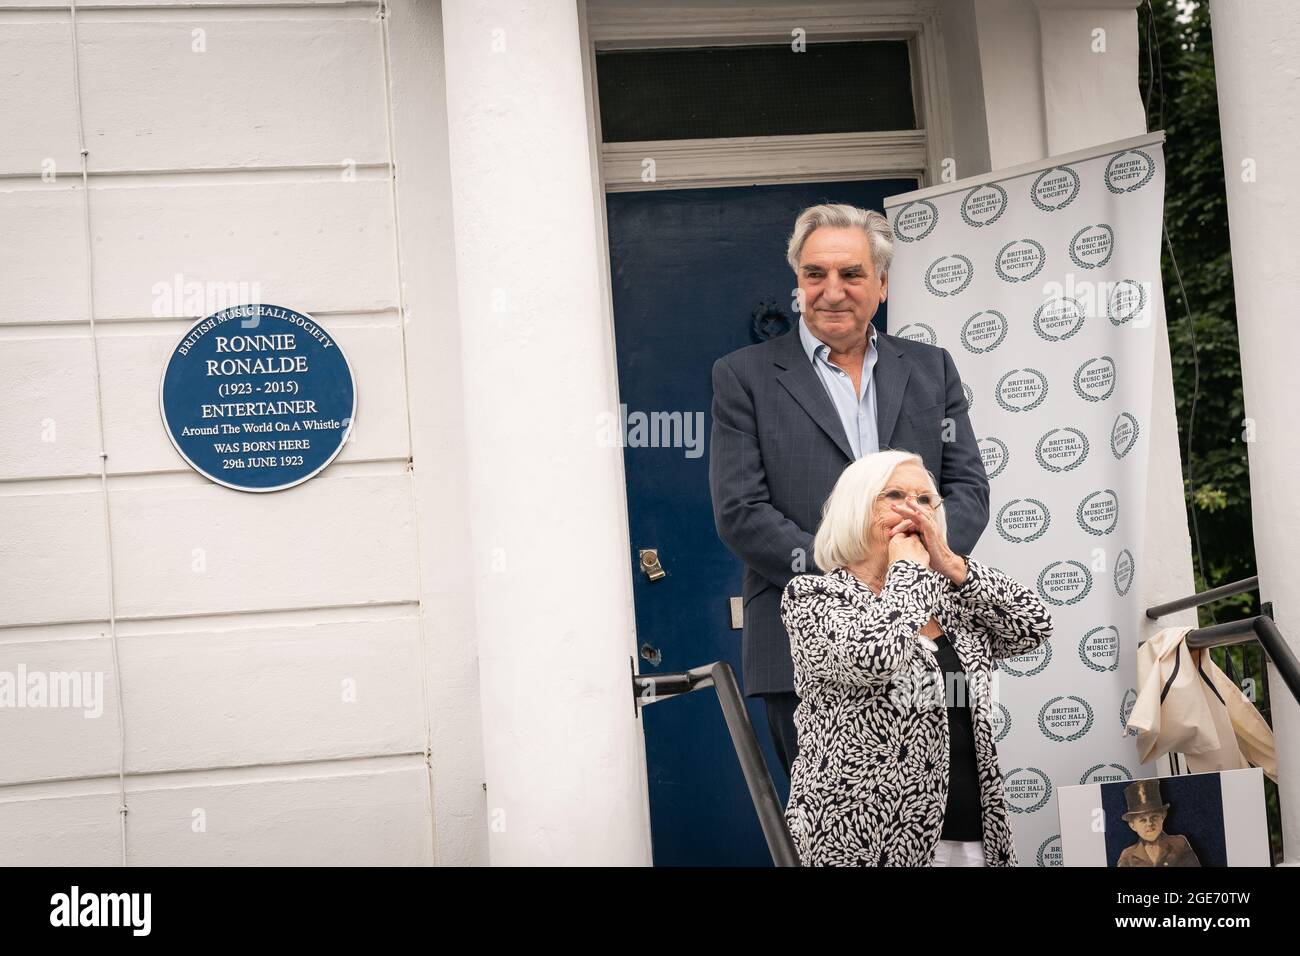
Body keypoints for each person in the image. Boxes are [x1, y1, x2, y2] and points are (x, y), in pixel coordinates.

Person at [709, 203, 989, 777]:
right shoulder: (744, 376)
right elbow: (741, 511)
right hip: (803, 648)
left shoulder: (932, 369)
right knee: (837, 831)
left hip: (927, 633)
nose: (831, 291)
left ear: (881, 284)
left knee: (943, 824)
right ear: (798, 283)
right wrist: (855, 579)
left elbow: (966, 490)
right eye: (815, 274)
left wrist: (918, 561)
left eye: (851, 274)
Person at [779, 450, 1053, 866]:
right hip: (864, 840)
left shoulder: (952, 602)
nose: (915, 508)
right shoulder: (813, 598)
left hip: (973, 837)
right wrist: (907, 571)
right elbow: (875, 658)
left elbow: (1034, 626)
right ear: (856, 507)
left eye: (926, 500)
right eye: (895, 495)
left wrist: (955, 567)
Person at [1116, 779, 1201, 867]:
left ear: (1163, 816)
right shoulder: (1127, 856)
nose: (1149, 823)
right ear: (1133, 825)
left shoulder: (1179, 845)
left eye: (1154, 817)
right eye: (1142, 820)